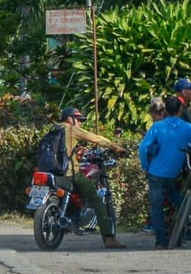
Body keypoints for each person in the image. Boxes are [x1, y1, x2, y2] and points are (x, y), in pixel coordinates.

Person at [35, 106, 125, 248]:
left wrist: (76, 150)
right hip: (70, 174)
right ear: (70, 119)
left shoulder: (54, 130)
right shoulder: (71, 130)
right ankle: (109, 238)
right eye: (79, 120)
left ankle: (72, 215)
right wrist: (116, 147)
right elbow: (96, 138)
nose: (81, 123)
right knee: (97, 201)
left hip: (53, 172)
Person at [139, 95, 191, 248]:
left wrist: (146, 166)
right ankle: (181, 227)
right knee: (178, 200)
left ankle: (161, 242)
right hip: (172, 173)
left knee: (157, 208)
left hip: (155, 173)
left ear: (166, 111)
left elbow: (143, 148)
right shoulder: (187, 128)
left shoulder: (157, 127)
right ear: (179, 110)